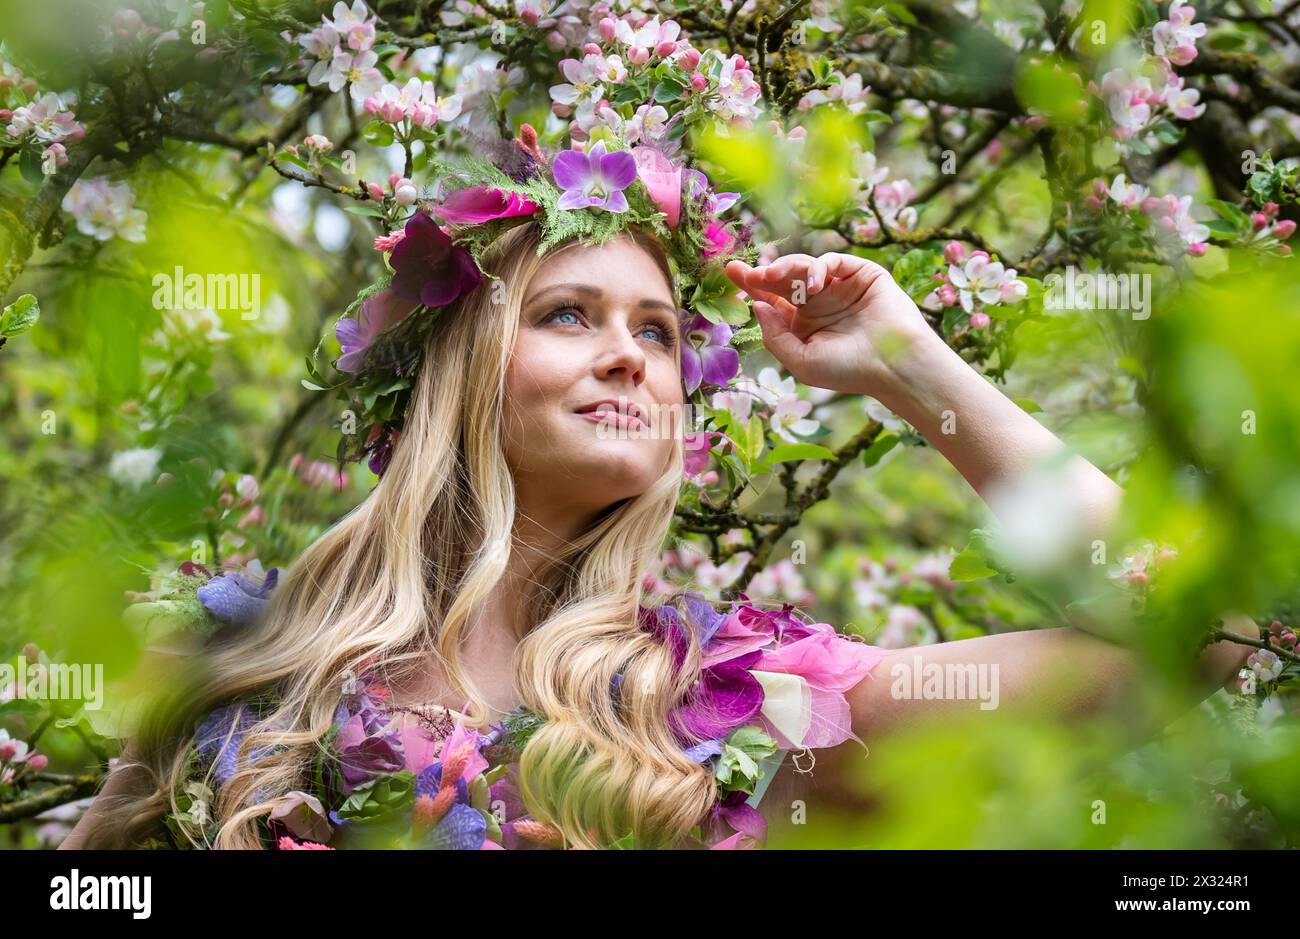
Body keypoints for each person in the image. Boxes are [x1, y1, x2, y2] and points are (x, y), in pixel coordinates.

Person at [56, 214, 1257, 850]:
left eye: (663, 330)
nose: (631, 353)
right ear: (455, 374)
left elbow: (1212, 628)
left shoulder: (733, 703)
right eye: (569, 315)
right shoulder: (241, 662)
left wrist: (906, 367)